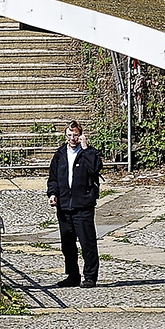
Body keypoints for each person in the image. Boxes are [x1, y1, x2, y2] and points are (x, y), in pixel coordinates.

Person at [47, 120, 103, 288]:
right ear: (65, 136)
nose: (72, 138)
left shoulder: (89, 152)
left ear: (81, 136)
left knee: (87, 243)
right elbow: (53, 178)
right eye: (69, 135)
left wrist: (85, 149)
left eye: (76, 135)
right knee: (67, 244)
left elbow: (95, 168)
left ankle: (90, 276)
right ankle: (73, 275)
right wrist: (52, 194)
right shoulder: (60, 154)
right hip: (64, 205)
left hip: (83, 205)